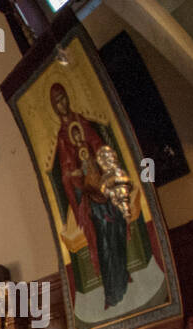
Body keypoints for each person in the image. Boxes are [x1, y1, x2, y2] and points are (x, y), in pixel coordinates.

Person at [49, 82, 131, 309]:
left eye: (63, 99)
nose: (62, 104)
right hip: (88, 193)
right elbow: (66, 174)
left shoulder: (82, 123)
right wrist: (74, 174)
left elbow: (99, 146)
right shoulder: (63, 137)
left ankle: (122, 277)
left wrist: (97, 163)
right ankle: (112, 291)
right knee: (103, 238)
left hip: (103, 186)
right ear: (54, 108)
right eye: (57, 102)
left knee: (116, 229)